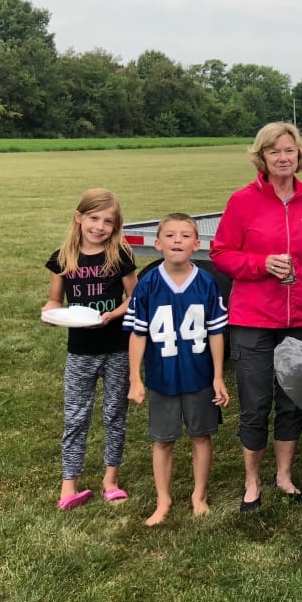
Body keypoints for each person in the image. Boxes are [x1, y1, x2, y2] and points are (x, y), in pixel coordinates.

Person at [211, 122, 302, 511]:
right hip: (253, 319)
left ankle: (283, 474)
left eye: (290, 151)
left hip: (300, 319)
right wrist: (262, 264)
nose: (283, 157)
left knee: (293, 400)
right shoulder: (242, 201)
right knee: (255, 402)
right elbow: (222, 254)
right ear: (261, 157)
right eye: (274, 151)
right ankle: (252, 481)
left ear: (300, 157)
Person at [124, 214, 229, 526]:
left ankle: (199, 494)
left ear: (197, 244)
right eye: (169, 235)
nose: (177, 241)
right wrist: (135, 378)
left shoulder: (207, 283)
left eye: (185, 236)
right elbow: (138, 333)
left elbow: (216, 333)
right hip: (162, 377)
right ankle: (163, 499)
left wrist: (219, 375)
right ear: (157, 244)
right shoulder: (147, 285)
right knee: (163, 439)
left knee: (201, 435)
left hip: (198, 375)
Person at [43, 188, 138, 511]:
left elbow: (134, 298)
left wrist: (113, 314)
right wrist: (51, 312)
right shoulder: (63, 258)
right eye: (94, 218)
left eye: (107, 221)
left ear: (116, 225)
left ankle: (110, 480)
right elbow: (56, 299)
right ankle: (69, 485)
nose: (99, 226)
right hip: (80, 350)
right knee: (76, 416)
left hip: (117, 349)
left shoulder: (121, 255)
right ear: (79, 217)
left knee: (114, 414)